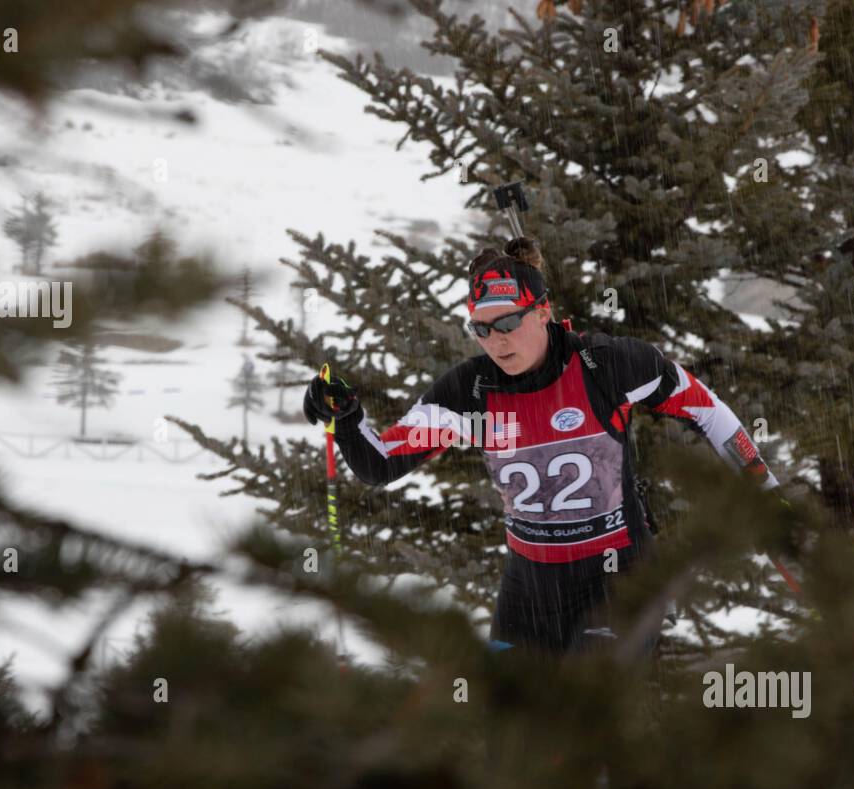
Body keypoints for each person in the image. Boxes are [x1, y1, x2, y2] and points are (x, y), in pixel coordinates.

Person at [303, 236, 780, 664]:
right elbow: (379, 463)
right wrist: (346, 417)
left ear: (543, 312)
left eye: (508, 322)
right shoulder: (471, 391)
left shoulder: (605, 365)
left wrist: (763, 488)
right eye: (481, 329)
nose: (495, 340)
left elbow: (708, 410)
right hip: (528, 588)